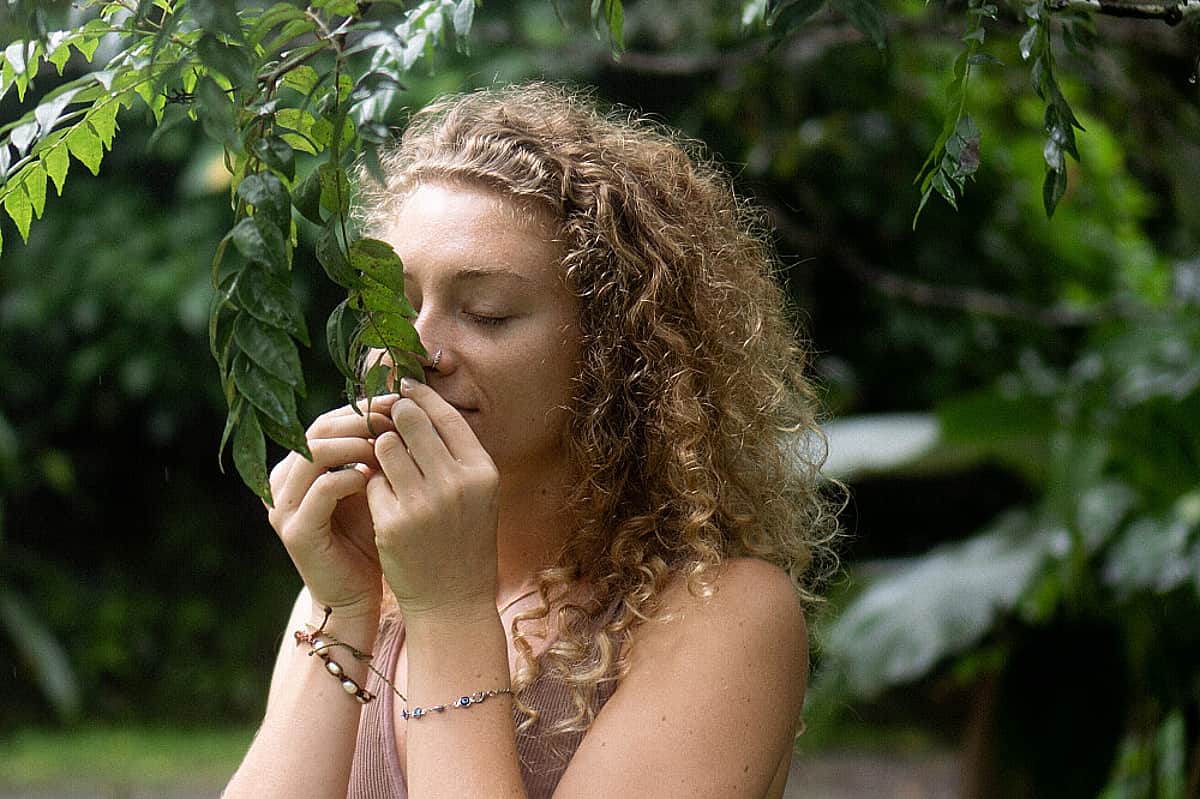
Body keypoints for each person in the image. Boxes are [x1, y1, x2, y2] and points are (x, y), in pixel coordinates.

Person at [222, 82, 839, 799]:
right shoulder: (365, 587)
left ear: (613, 353)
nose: (415, 348)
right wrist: (344, 608)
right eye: (391, 303)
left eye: (486, 313)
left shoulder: (722, 613)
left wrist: (449, 611)